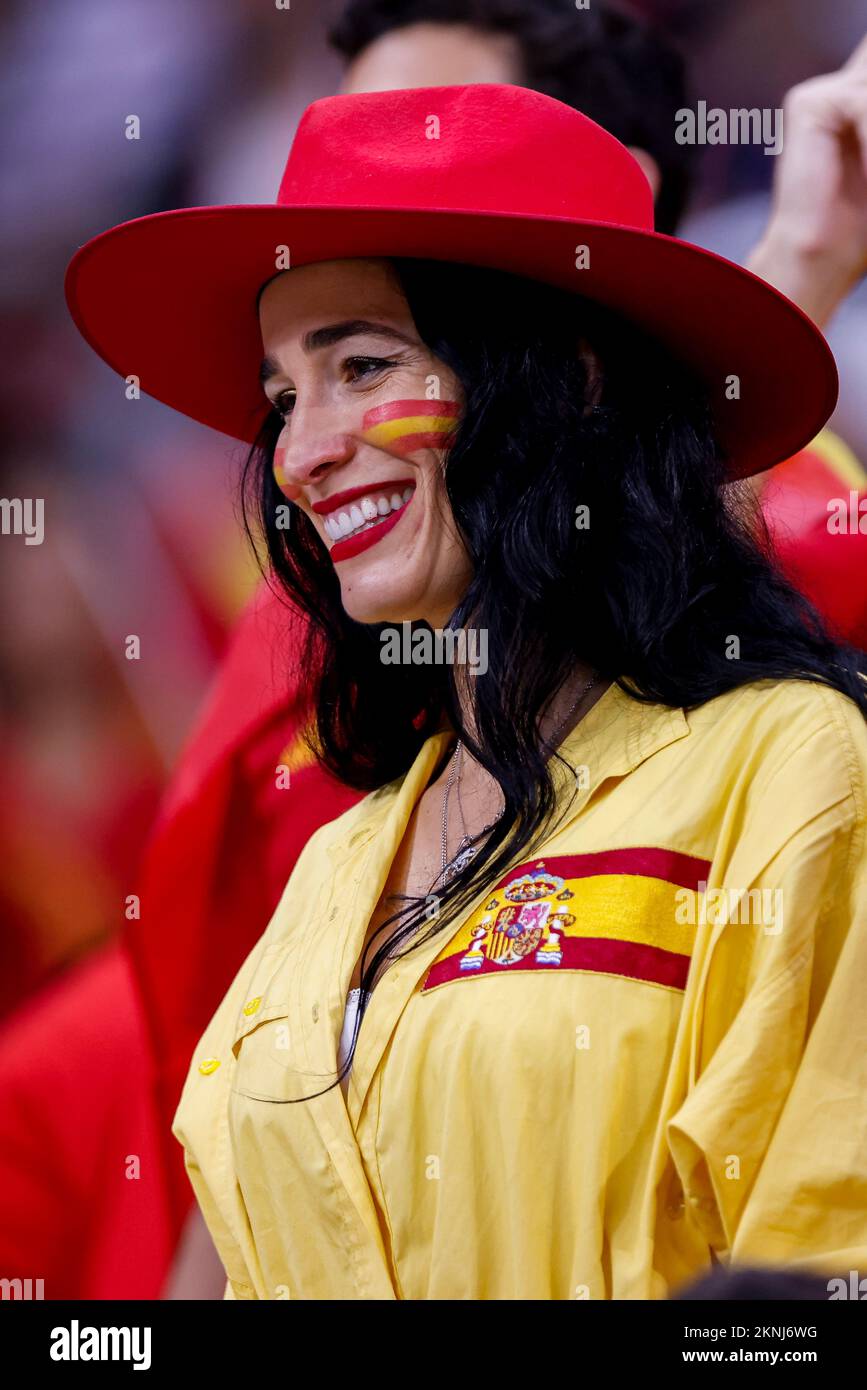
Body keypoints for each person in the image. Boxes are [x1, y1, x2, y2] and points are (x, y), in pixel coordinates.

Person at [66, 80, 867, 1299]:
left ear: (572, 380)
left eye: (363, 365)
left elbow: (812, 1287)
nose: (302, 452)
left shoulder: (793, 767)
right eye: (285, 398)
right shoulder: (335, 864)